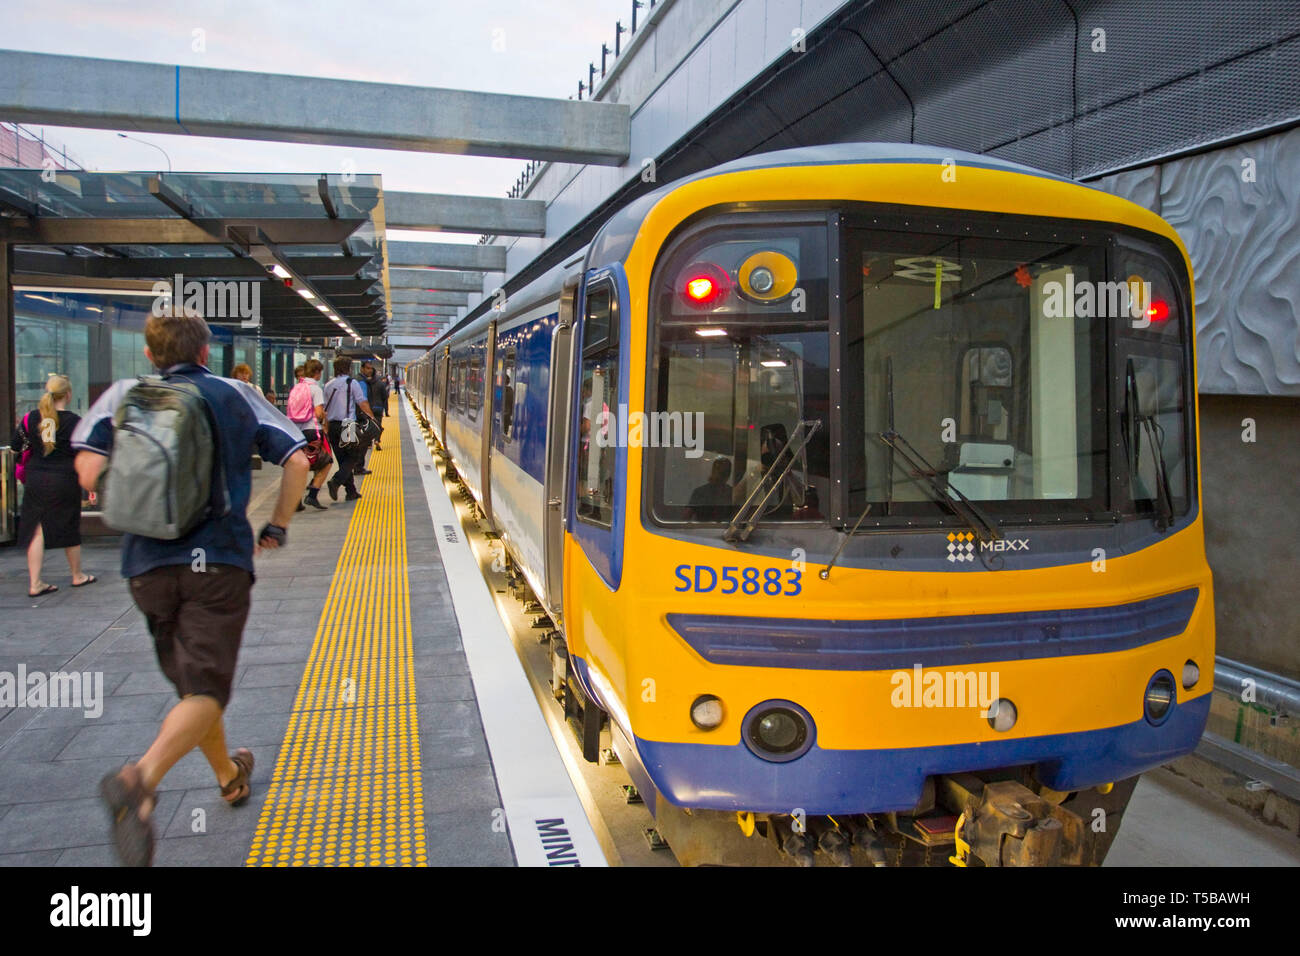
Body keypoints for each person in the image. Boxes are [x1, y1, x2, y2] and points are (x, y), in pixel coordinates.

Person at [72, 312, 310, 867]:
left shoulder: (124, 395)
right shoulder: (234, 392)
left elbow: (86, 473)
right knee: (206, 689)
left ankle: (230, 776)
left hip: (146, 567)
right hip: (218, 565)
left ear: (151, 355)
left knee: (194, 687)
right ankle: (141, 780)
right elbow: (298, 459)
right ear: (205, 352)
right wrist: (276, 524)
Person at [13, 375, 95, 596]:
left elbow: (16, 446)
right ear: (68, 395)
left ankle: (35, 582)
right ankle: (77, 575)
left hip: (36, 478)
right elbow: (84, 453)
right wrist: (90, 485)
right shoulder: (75, 421)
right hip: (65, 479)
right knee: (69, 524)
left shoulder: (30, 419)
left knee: (36, 530)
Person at [322, 356, 373, 501]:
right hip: (348, 424)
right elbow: (362, 403)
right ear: (348, 368)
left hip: (332, 426)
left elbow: (325, 408)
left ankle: (351, 491)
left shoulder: (328, 384)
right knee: (354, 456)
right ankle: (336, 481)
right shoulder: (352, 383)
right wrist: (372, 418)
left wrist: (326, 426)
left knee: (343, 458)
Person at [288, 358, 330, 510]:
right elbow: (318, 413)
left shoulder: (297, 387)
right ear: (317, 372)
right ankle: (312, 496)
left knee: (301, 465)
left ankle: (296, 501)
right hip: (312, 430)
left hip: (296, 431)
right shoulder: (315, 388)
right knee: (326, 462)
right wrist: (323, 415)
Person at [687, 457, 734, 522]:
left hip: (726, 529)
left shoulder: (732, 493)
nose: (719, 474)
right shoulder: (700, 492)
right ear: (713, 471)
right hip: (704, 530)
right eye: (718, 470)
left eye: (724, 472)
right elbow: (686, 517)